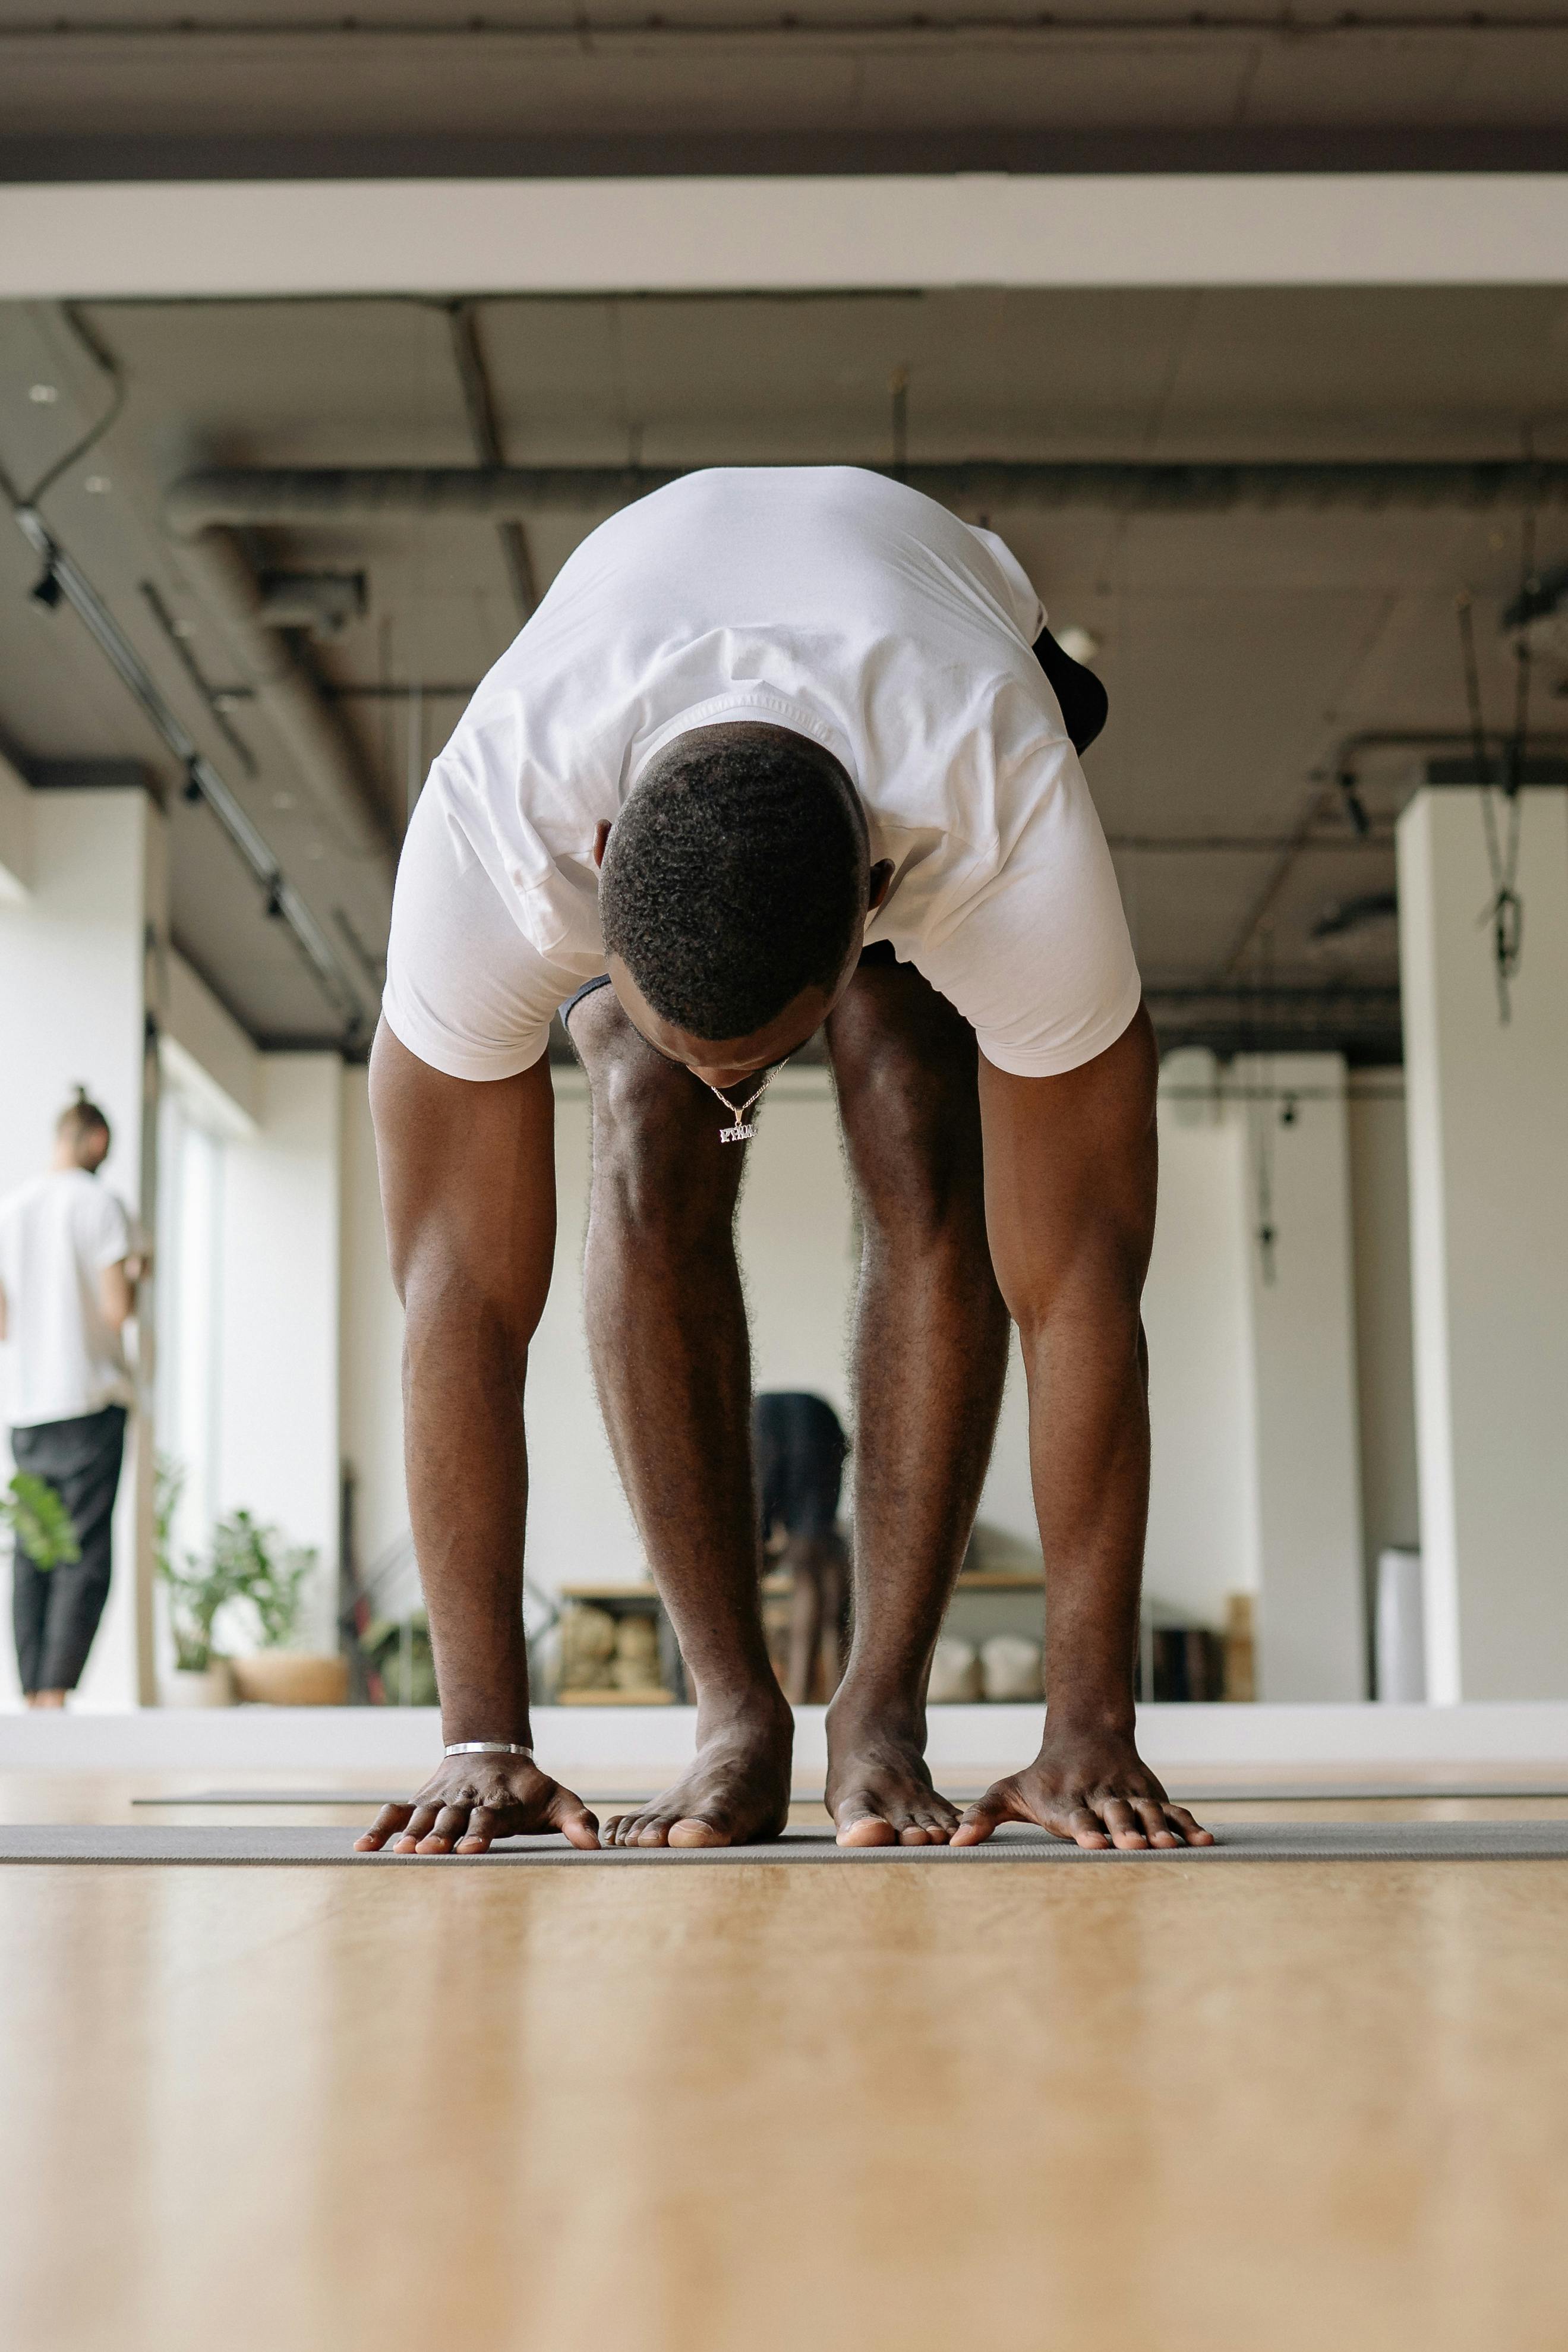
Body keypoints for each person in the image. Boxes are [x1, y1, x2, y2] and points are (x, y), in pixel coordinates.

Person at [358, 466, 1212, 1857]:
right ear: (594, 859)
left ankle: (880, 1713)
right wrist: (481, 1735)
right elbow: (455, 1283)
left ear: (882, 898)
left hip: (944, 638)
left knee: (915, 1091)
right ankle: (734, 1714)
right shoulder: (496, 818)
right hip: (650, 684)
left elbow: (1084, 1279)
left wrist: (1091, 1727)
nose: (736, 1092)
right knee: (641, 1110)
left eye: (761, 1055)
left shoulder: (998, 797)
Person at [0, 1091, 140, 1707]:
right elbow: (118, 1309)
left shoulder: (13, 1207)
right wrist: (138, 1271)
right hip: (88, 1401)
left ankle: (32, 1695)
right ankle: (56, 1692)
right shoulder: (100, 1203)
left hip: (27, 1410)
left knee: (33, 1550)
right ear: (97, 1142)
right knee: (84, 1553)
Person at [753, 1391, 849, 1705]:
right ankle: (806, 1698)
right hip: (815, 1421)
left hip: (763, 1421)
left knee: (765, 1561)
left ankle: (756, 1702)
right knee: (812, 1568)